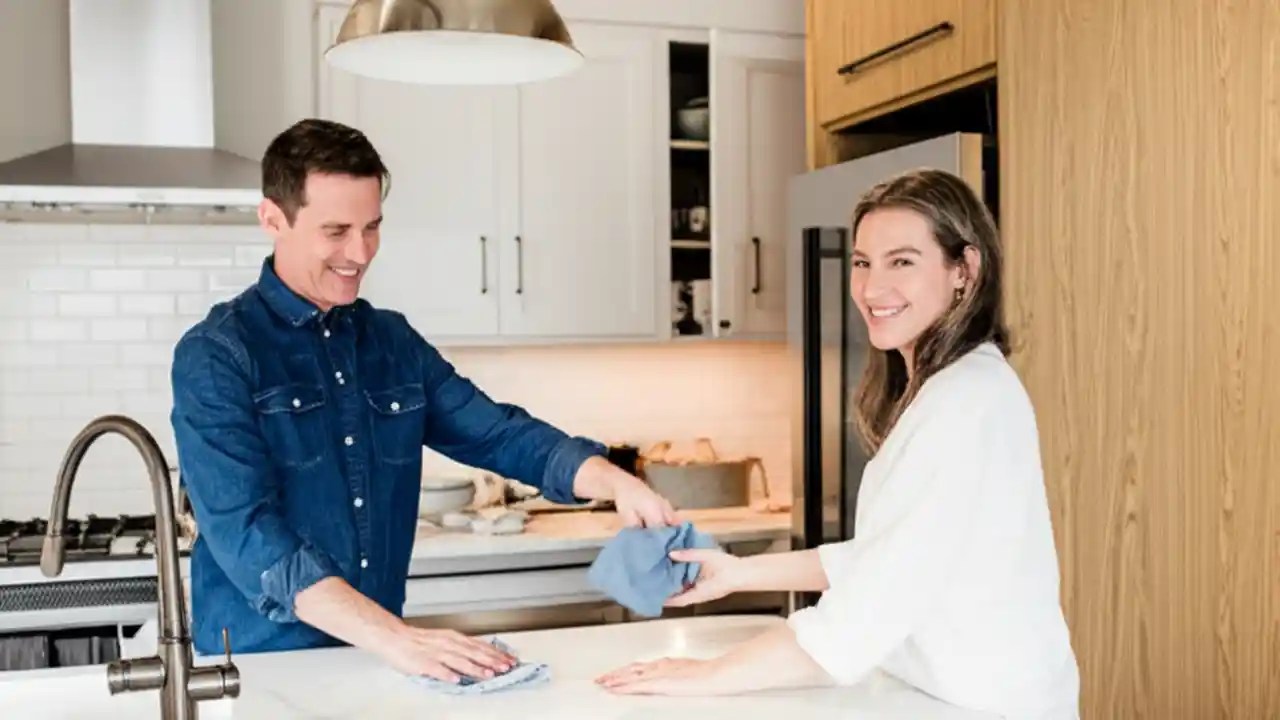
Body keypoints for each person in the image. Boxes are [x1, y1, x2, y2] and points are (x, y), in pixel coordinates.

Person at [170, 118, 677, 683]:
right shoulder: (217, 355)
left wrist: (613, 481)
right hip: (259, 674)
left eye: (372, 227)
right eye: (336, 231)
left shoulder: (391, 342)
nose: (359, 252)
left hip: (378, 663)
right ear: (273, 219)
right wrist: (397, 637)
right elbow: (249, 534)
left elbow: (496, 432)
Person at [596, 169, 1081, 719]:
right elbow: (892, 557)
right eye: (862, 263)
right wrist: (739, 573)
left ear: (963, 270)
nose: (872, 289)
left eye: (902, 261)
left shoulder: (966, 403)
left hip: (987, 704)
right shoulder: (945, 390)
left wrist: (705, 676)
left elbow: (863, 614)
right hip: (938, 695)